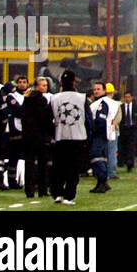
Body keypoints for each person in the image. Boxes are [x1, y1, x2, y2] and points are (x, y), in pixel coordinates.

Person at [50, 69, 89, 205]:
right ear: (73, 82)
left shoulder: (54, 98)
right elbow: (88, 120)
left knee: (58, 167)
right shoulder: (82, 98)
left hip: (60, 137)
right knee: (73, 169)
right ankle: (69, 195)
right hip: (78, 137)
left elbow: (50, 119)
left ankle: (57, 193)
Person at [20, 76, 54, 198]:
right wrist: (50, 133)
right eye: (43, 85)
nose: (45, 87)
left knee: (29, 164)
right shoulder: (42, 100)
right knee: (42, 164)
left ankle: (29, 190)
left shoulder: (27, 99)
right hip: (40, 136)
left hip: (28, 136)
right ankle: (42, 190)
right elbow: (46, 119)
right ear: (37, 86)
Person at [117, 90, 137, 176]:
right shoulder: (121, 107)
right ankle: (123, 162)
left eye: (128, 97)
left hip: (132, 129)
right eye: (125, 97)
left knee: (132, 147)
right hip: (123, 129)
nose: (127, 99)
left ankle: (130, 164)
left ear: (132, 98)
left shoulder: (136, 107)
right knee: (123, 147)